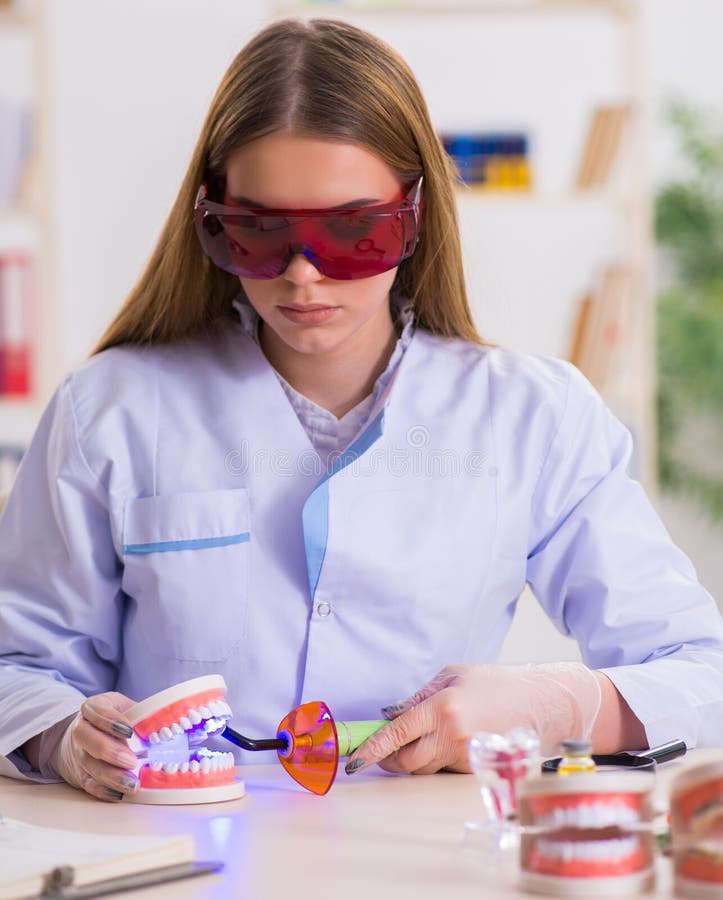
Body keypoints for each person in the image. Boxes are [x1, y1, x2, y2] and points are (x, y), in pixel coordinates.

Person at [1, 17, 722, 804]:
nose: (303, 276)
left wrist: (553, 705)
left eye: (350, 231)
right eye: (258, 232)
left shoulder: (533, 416)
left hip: (424, 866)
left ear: (413, 217)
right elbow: (17, 664)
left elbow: (700, 674)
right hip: (180, 855)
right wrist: (61, 736)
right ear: (211, 218)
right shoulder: (111, 409)